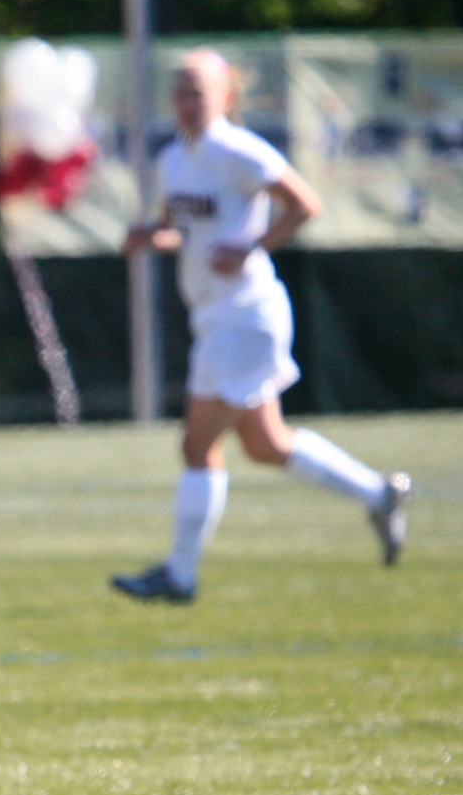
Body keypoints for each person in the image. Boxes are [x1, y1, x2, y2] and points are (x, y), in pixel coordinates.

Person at [112, 49, 410, 604]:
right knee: (266, 445)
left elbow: (304, 205)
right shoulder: (174, 159)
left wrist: (252, 246)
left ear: (226, 95)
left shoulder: (238, 150)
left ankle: (179, 576)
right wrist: (152, 237)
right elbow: (189, 232)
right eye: (179, 91)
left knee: (197, 445)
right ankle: (378, 494)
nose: (186, 101)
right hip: (215, 320)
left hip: (245, 317)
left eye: (198, 91)